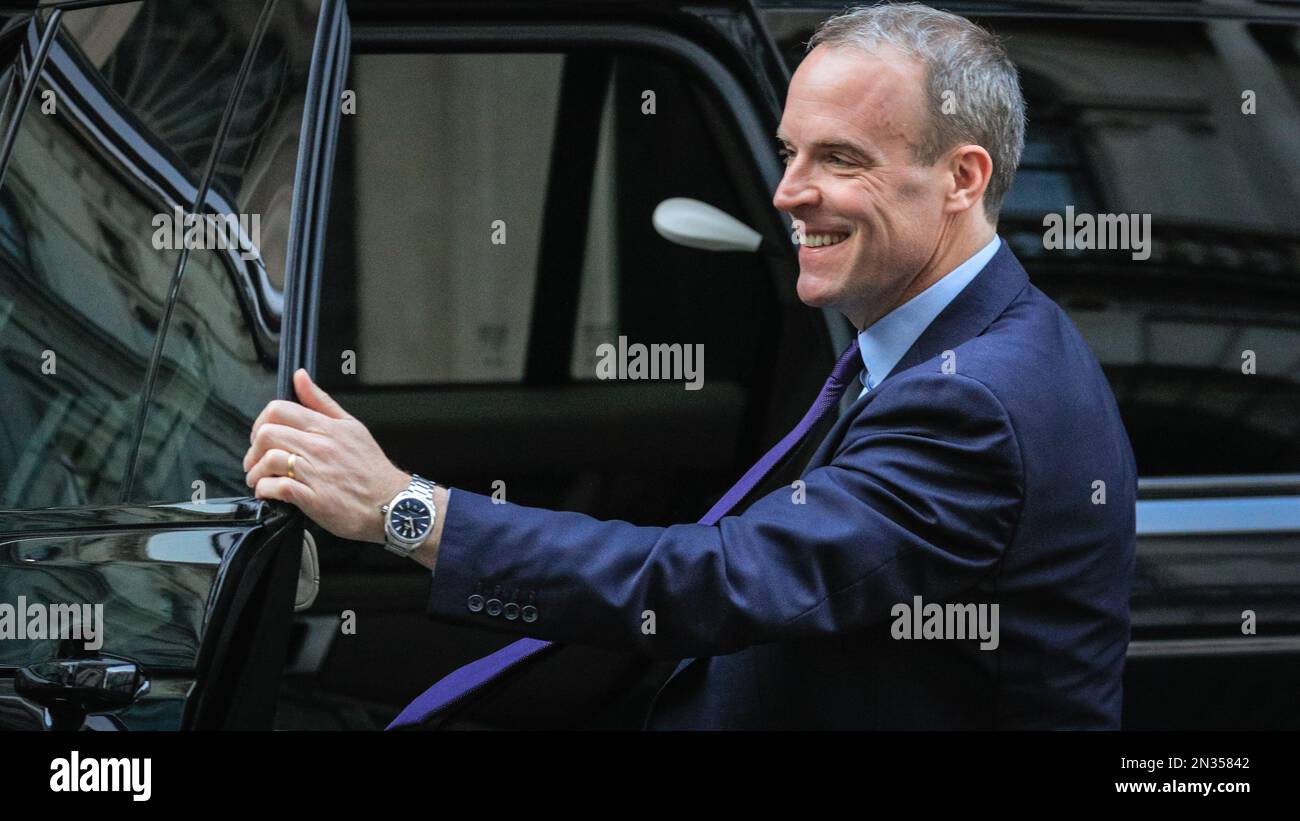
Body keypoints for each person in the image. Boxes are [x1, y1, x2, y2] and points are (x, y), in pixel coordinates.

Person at [243, 3, 1136, 729]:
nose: (789, 192)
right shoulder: (952, 344)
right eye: (791, 151)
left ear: (962, 179)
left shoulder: (976, 399)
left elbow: (720, 582)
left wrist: (406, 510)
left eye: (841, 159)